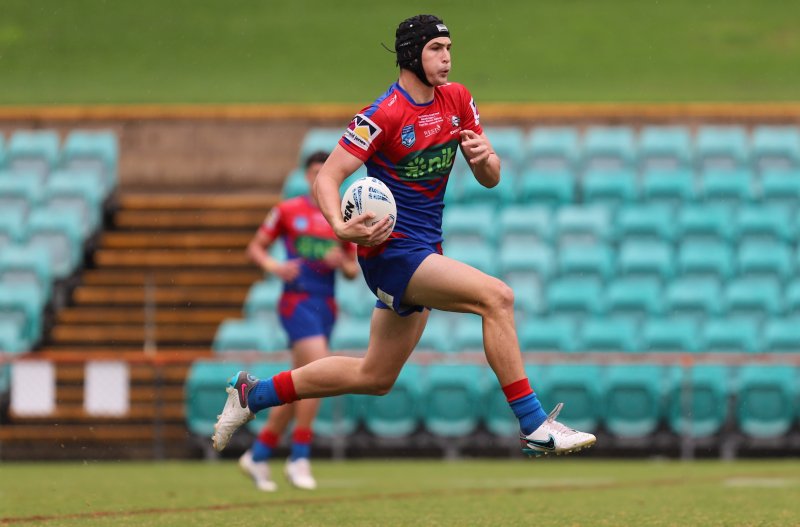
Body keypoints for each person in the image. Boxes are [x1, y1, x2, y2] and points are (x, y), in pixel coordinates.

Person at [213, 14, 596, 459]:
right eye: (437, 49)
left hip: (424, 250)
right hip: (391, 254)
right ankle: (534, 425)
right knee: (497, 298)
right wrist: (339, 225)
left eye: (450, 48)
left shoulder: (458, 100)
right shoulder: (382, 114)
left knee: (374, 376)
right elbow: (328, 177)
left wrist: (484, 158)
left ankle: (252, 394)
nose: (447, 58)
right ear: (412, 54)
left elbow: (490, 178)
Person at [237, 150, 359, 491]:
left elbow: (352, 270)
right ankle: (300, 456)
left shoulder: (343, 215)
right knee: (320, 372)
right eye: (315, 172)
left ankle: (258, 455)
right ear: (308, 177)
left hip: (326, 305)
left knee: (301, 384)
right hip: (297, 302)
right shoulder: (288, 210)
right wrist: (275, 267)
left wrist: (343, 264)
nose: (320, 178)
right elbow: (256, 248)